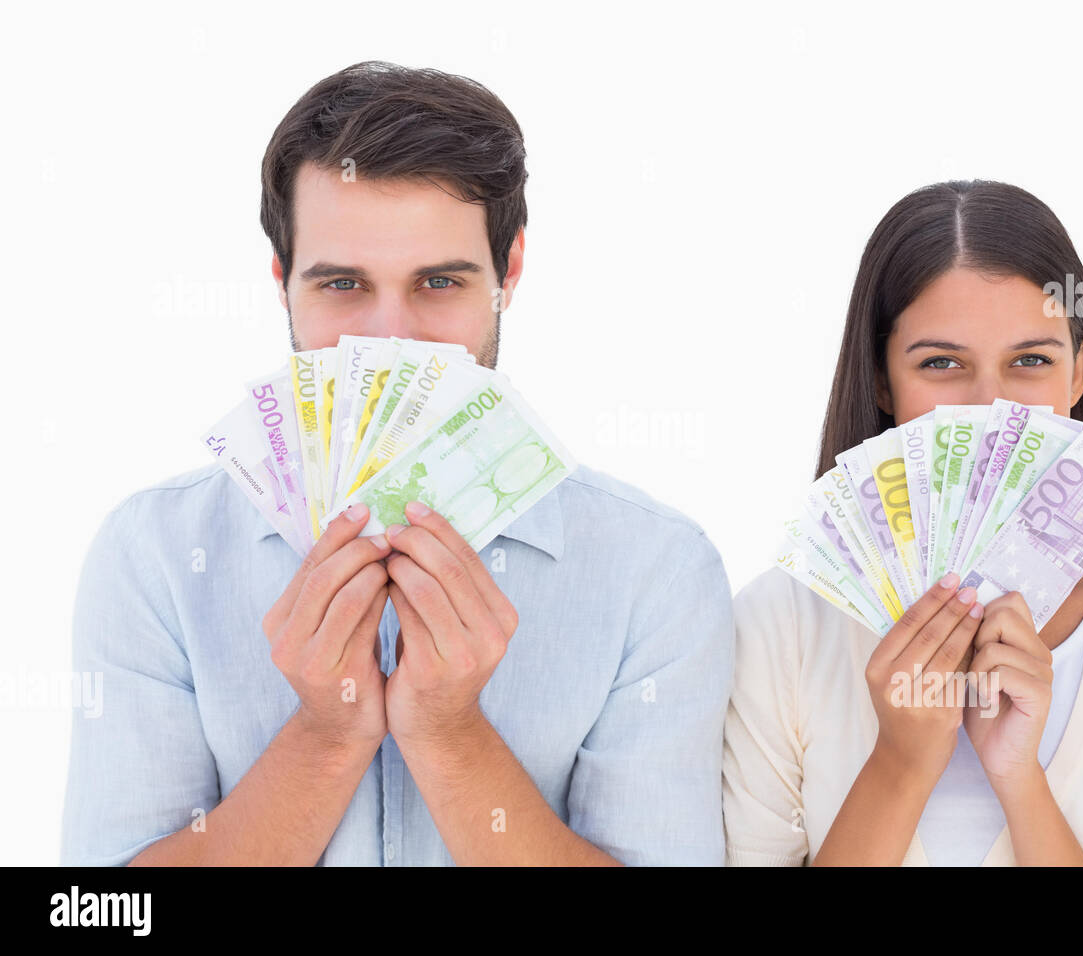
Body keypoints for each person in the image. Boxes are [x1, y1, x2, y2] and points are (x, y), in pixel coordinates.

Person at [60, 61, 734, 866]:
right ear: (281, 282)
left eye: (440, 281)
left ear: (508, 273)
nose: (390, 340)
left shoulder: (655, 570)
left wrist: (450, 735)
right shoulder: (154, 557)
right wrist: (324, 735)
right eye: (342, 283)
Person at [722, 179, 1083, 866]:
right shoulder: (778, 630)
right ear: (882, 380)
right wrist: (900, 764)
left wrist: (1020, 779)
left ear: (1079, 376)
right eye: (940, 363)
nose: (991, 407)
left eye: (1031, 361)